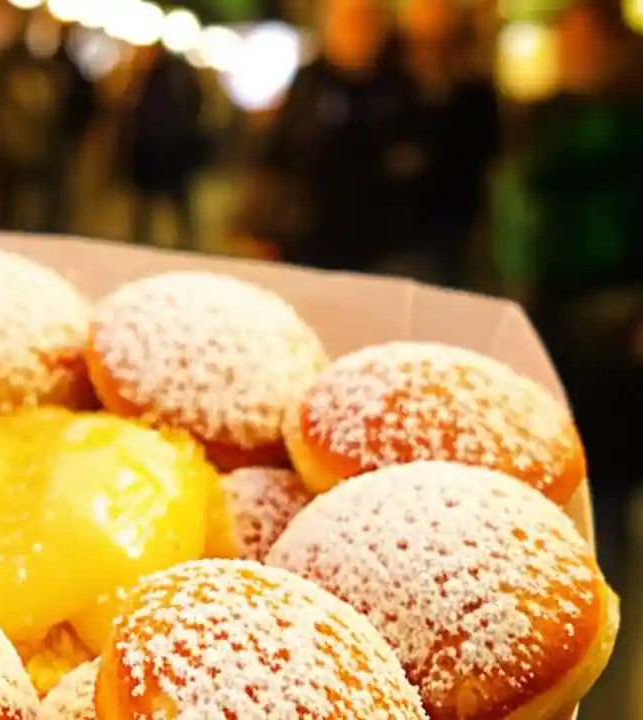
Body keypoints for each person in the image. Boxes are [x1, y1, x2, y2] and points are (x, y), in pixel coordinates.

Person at [493, 0, 643, 592]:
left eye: (579, 37)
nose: (568, 48)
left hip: (614, 309)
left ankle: (605, 600)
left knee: (605, 473)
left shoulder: (628, 116)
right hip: (548, 308)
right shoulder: (550, 112)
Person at [239, 0, 421, 272]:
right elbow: (279, 153)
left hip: (378, 244)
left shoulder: (401, 87)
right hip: (305, 238)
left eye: (362, 20)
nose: (353, 30)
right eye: (344, 19)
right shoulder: (309, 81)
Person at [394, 0, 500, 287]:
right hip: (391, 227)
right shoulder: (390, 77)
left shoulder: (472, 86)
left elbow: (486, 150)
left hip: (449, 225)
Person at [0, 16, 95, 233]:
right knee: (23, 199)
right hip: (25, 145)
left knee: (16, 200)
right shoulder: (47, 69)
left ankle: (13, 232)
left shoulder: (45, 68)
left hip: (21, 146)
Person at [119, 43, 206, 249]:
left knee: (162, 206)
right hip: (161, 152)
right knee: (159, 206)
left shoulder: (156, 78)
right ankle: (183, 244)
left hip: (161, 152)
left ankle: (172, 244)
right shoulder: (172, 78)